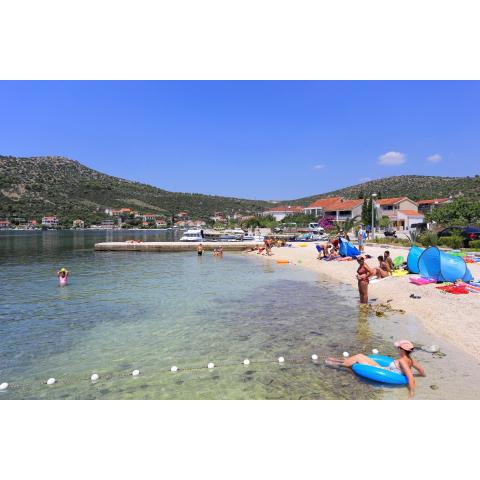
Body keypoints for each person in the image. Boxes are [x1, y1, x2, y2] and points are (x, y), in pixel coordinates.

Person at [326, 340, 426, 399]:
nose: (396, 349)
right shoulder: (411, 360)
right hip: (385, 369)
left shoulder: (402, 361)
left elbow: (410, 377)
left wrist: (411, 393)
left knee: (358, 357)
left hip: (383, 371)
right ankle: (340, 361)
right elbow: (421, 370)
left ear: (401, 350)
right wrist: (423, 376)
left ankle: (337, 363)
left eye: (398, 348)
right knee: (359, 357)